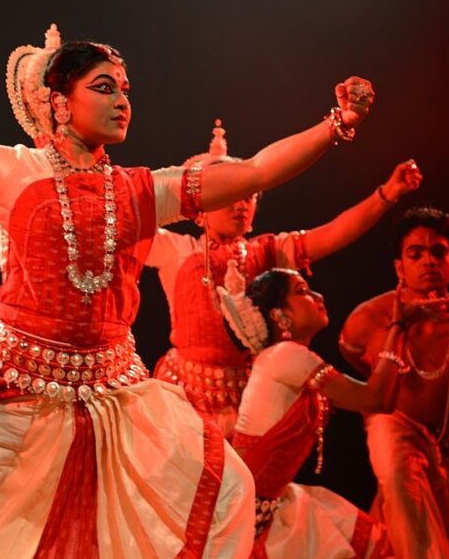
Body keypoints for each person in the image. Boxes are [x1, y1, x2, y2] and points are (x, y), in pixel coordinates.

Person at [0, 23, 379, 557]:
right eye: (103, 88)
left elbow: (258, 170)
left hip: (118, 396)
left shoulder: (145, 190)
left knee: (225, 496)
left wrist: (336, 125)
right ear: (59, 102)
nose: (122, 102)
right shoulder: (9, 168)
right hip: (15, 387)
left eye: (126, 91)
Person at [147, 119, 422, 437]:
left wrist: (386, 194)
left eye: (248, 196)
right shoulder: (176, 251)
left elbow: (332, 234)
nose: (240, 205)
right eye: (228, 195)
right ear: (199, 208)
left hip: (247, 399)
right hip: (183, 398)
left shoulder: (268, 252)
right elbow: (126, 219)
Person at [339, 207, 449, 558]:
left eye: (439, 253)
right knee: (402, 486)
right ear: (399, 268)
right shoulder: (370, 317)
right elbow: (351, 350)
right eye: (415, 254)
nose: (428, 262)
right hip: (395, 422)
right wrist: (386, 384)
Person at [220, 264, 404, 557]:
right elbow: (374, 399)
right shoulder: (285, 356)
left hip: (271, 507)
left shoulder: (286, 359)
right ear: (279, 315)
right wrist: (397, 328)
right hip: (249, 521)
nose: (318, 295)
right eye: (302, 291)